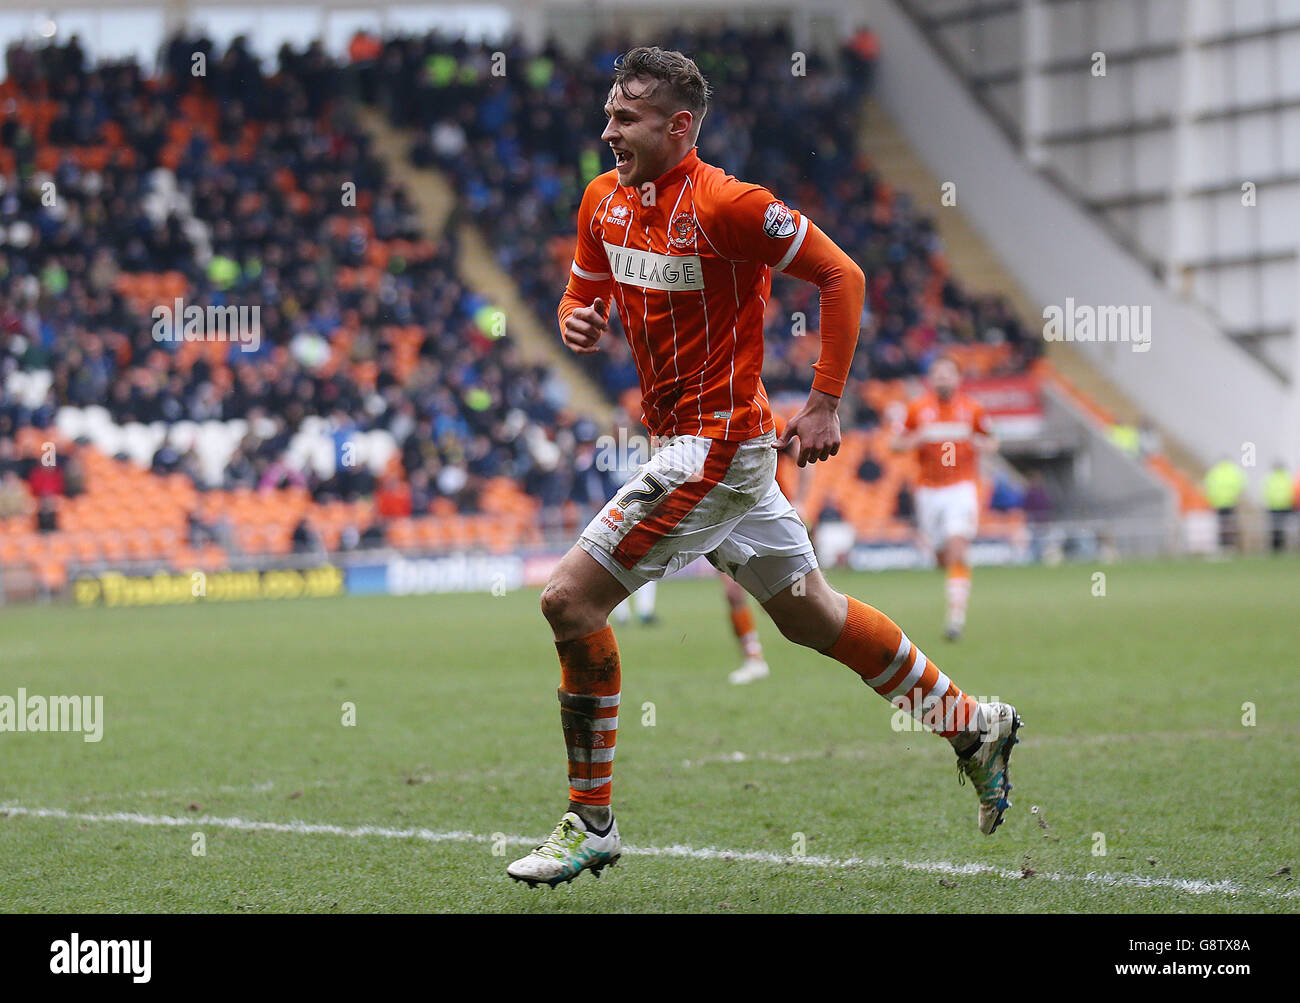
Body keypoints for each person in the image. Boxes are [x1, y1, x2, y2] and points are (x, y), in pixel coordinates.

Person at [506, 47, 1022, 888]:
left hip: (718, 444)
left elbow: (840, 274)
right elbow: (582, 287)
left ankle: (590, 820)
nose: (607, 132)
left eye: (625, 119)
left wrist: (823, 401)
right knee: (811, 617)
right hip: (690, 443)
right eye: (606, 115)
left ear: (679, 126)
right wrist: (576, 316)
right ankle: (972, 723)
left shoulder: (731, 204)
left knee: (568, 598)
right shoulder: (601, 201)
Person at [892, 356, 998, 641]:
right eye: (937, 375)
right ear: (931, 380)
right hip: (928, 492)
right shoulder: (917, 409)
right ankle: (957, 571)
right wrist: (917, 439)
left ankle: (955, 618)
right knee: (942, 557)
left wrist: (978, 442)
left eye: (948, 375)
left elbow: (992, 440)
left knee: (957, 545)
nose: (943, 380)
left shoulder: (972, 409)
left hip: (960, 488)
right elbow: (895, 444)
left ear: (957, 379)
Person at [1263, 461, 1295, 553]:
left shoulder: (1271, 478)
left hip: (1278, 506)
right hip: (1280, 506)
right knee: (1277, 528)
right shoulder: (1286, 477)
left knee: (1279, 528)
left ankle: (1279, 547)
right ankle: (1277, 547)